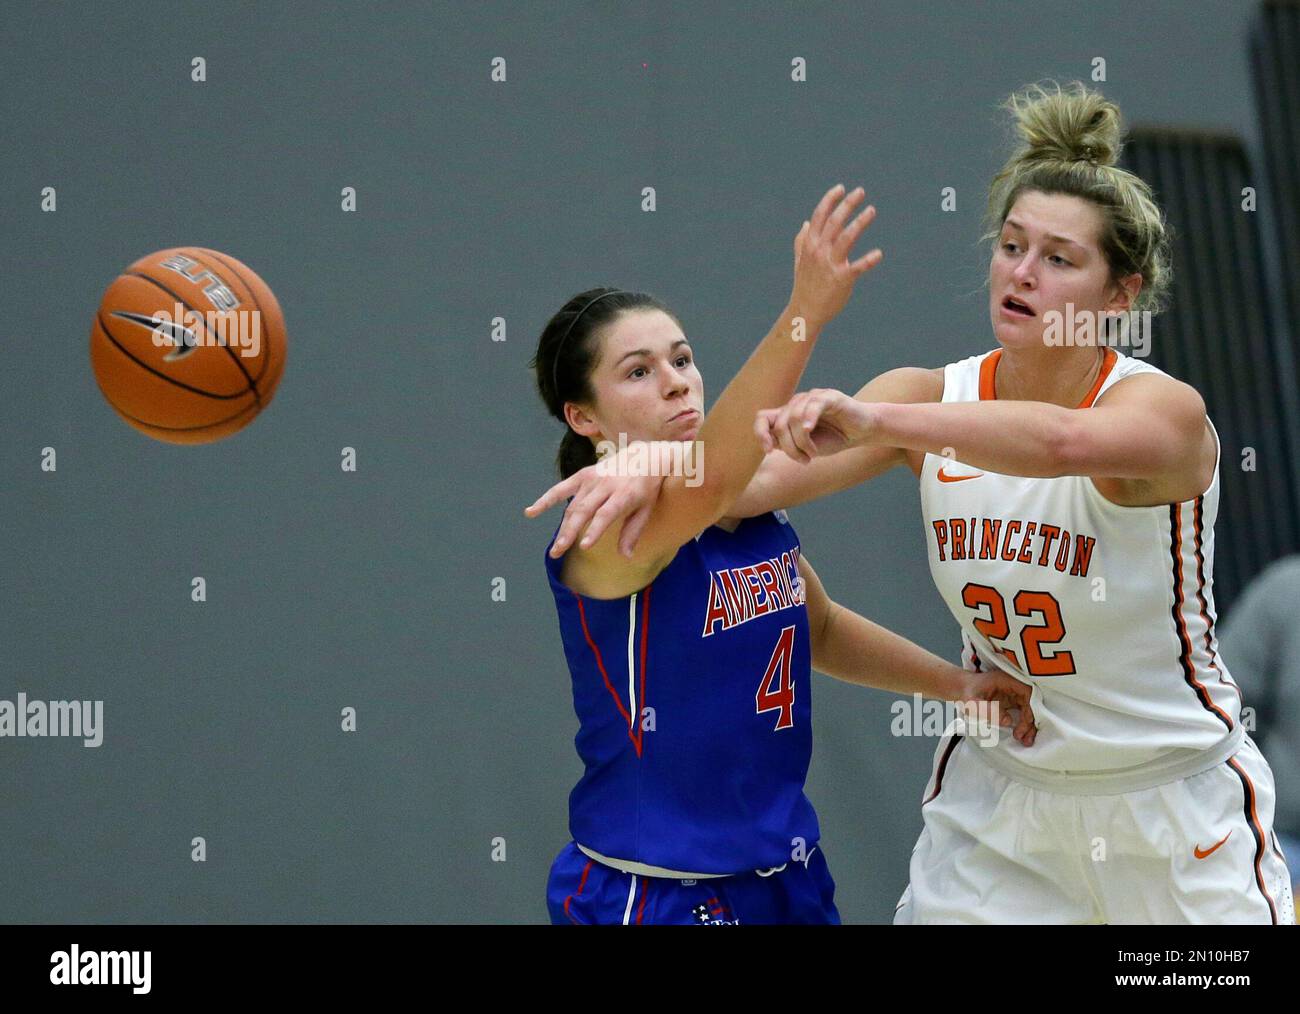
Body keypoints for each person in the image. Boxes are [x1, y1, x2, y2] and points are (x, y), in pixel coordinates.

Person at [529, 81, 1294, 924]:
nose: (1023, 273)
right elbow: (737, 484)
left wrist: (876, 419)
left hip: (1168, 802)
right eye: (1010, 246)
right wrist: (644, 464)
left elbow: (1060, 444)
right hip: (1004, 798)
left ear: (1120, 296)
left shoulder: (1162, 412)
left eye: (1059, 259)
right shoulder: (925, 396)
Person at [527, 185, 1036, 925]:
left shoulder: (746, 509)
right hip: (657, 888)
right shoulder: (601, 531)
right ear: (583, 416)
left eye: (682, 358)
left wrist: (958, 685)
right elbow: (718, 471)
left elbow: (818, 628)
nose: (676, 381)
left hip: (783, 875)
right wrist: (807, 313)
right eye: (638, 372)